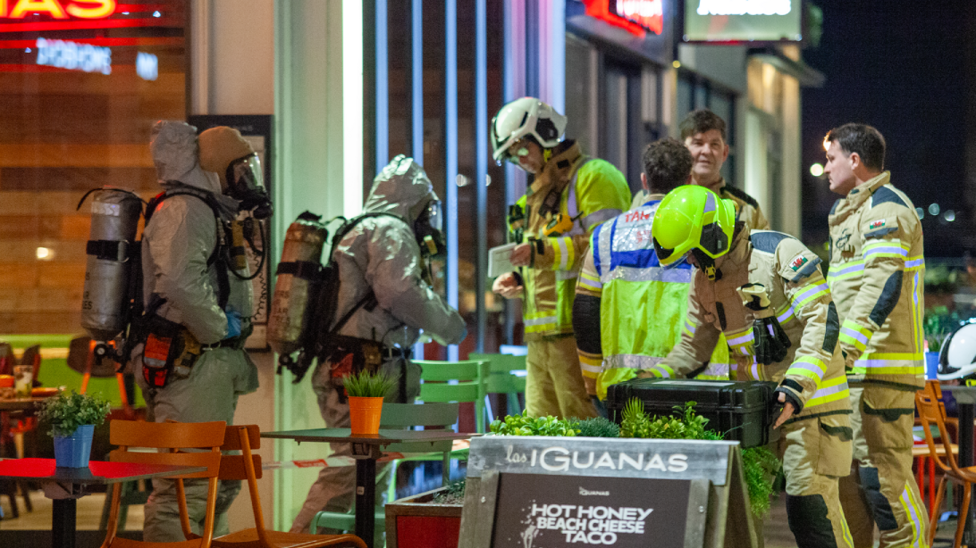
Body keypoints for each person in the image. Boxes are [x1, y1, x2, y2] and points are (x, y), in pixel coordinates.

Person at [649, 185, 854, 548]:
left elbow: (823, 321)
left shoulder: (779, 252)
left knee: (811, 511)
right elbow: (692, 347)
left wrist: (795, 386)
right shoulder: (704, 281)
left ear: (711, 237)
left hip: (811, 405)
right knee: (738, 514)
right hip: (756, 412)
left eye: (691, 254)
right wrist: (654, 378)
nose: (690, 263)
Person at [291, 155, 466, 538]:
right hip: (364, 371)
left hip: (356, 367)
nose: (428, 218)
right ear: (410, 200)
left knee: (371, 470)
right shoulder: (389, 229)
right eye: (425, 206)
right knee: (349, 472)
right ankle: (298, 544)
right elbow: (402, 292)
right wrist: (452, 327)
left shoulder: (361, 228)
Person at [134, 121, 267, 541]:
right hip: (191, 362)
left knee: (216, 484)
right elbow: (178, 281)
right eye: (238, 169)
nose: (245, 179)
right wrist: (214, 328)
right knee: (186, 487)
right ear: (213, 169)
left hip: (205, 365)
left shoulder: (203, 209)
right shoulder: (186, 209)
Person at [489, 97, 631, 419]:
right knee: (541, 434)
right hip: (541, 341)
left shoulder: (596, 177)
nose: (521, 160)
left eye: (522, 149)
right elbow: (546, 267)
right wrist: (520, 280)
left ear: (545, 134)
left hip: (582, 333)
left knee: (585, 432)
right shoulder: (534, 197)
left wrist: (540, 253)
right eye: (513, 156)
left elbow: (610, 249)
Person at [572, 139, 731, 414]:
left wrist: (591, 380)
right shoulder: (710, 233)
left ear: (644, 180)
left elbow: (585, 313)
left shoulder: (605, 237)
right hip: (700, 388)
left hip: (625, 390)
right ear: (690, 180)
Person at [824, 123, 927, 547]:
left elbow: (882, 284)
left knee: (885, 489)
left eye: (831, 159)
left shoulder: (887, 209)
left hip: (878, 375)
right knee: (850, 495)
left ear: (854, 160)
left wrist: (844, 349)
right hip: (851, 376)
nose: (826, 167)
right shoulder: (851, 213)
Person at [680, 109, 770, 231]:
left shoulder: (748, 209)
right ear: (683, 150)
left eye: (714, 144)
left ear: (725, 153)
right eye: (698, 143)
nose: (706, 151)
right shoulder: (666, 200)